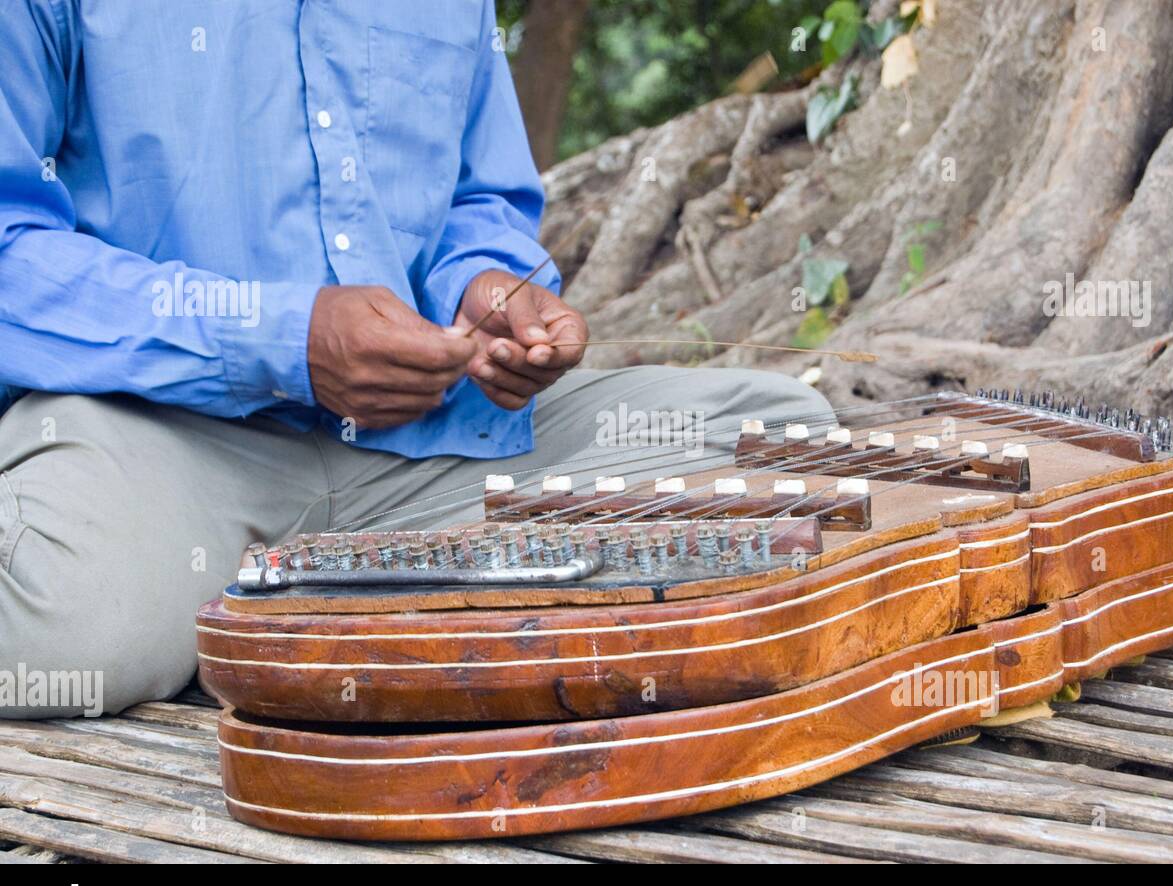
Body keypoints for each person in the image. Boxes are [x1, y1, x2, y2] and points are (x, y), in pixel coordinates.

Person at [0, 0, 829, 717]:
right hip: (160, 437)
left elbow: (477, 200)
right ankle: (432, 599)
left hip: (421, 453)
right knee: (71, 632)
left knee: (779, 435)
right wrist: (282, 338)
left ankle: (332, 595)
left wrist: (484, 286)